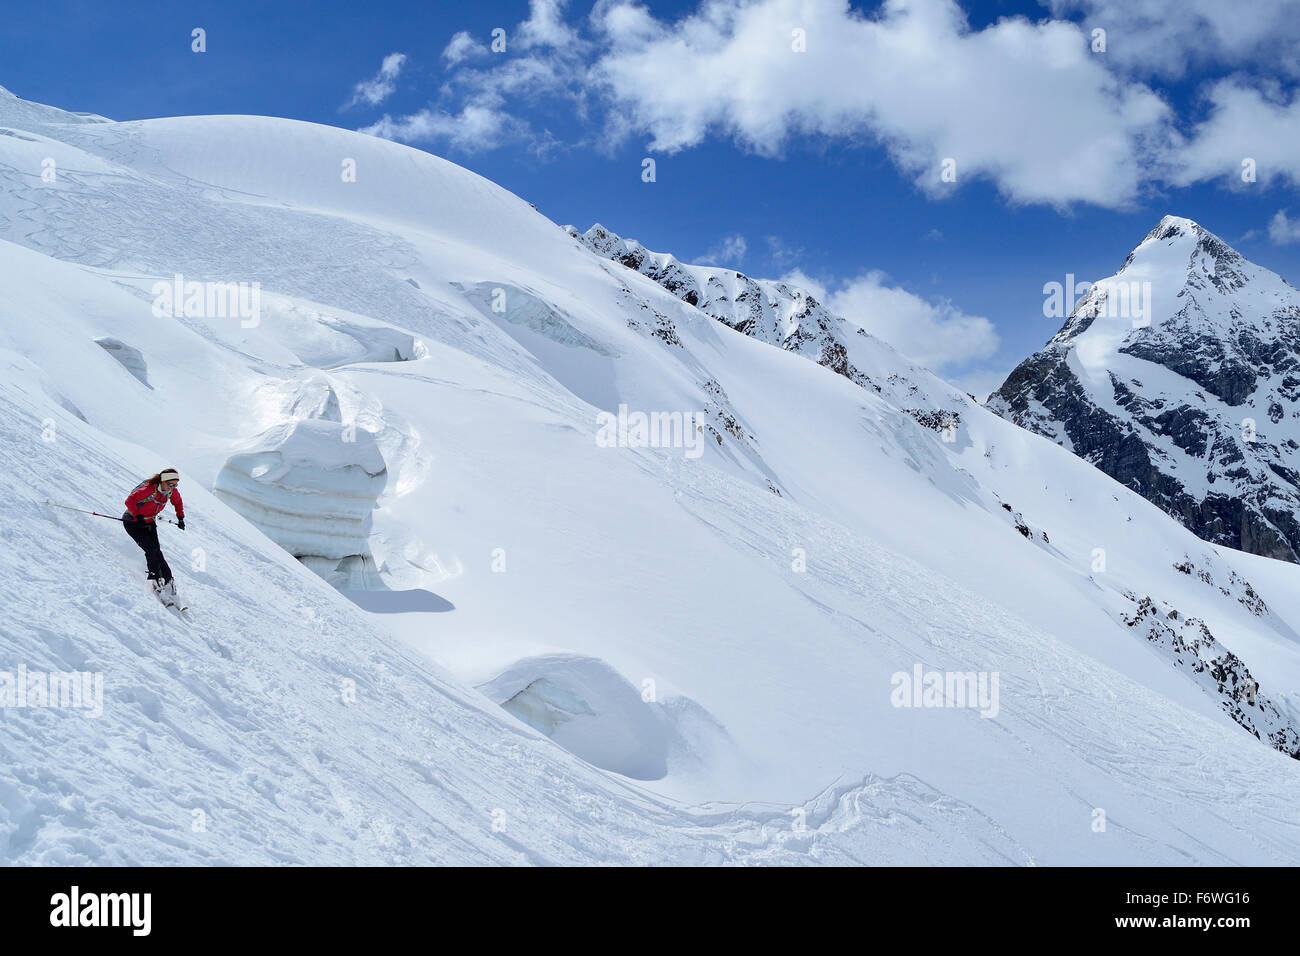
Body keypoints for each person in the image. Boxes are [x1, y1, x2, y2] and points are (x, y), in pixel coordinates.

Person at [122, 468, 186, 601]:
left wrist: (180, 518)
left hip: (149, 522)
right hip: (133, 522)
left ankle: (168, 579)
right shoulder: (149, 489)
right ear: (163, 481)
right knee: (151, 550)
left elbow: (178, 502)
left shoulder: (171, 492)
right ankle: (155, 579)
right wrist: (137, 515)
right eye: (170, 484)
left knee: (157, 551)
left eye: (175, 485)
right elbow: (129, 501)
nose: (172, 488)